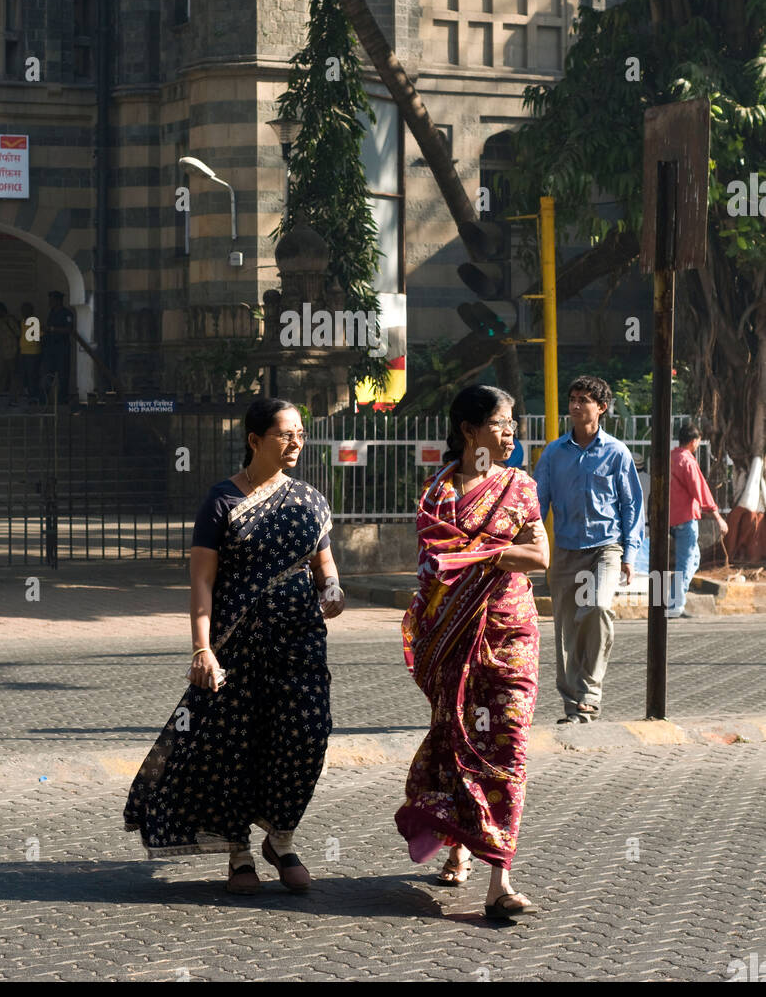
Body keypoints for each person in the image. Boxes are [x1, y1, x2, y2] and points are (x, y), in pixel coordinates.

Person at [124, 397, 345, 894]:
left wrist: (332, 590)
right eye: (286, 434)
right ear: (255, 441)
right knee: (234, 747)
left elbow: (324, 566)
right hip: (236, 645)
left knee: (306, 735)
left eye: (301, 434)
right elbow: (201, 581)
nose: (296, 443)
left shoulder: (310, 500)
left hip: (299, 641)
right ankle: (239, 851)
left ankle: (281, 838)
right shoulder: (222, 500)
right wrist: (203, 649)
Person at [395, 384, 549, 920]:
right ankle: (458, 837)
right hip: (453, 640)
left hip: (511, 634)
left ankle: (499, 879)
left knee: (508, 747)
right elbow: (429, 575)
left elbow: (540, 556)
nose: (511, 433)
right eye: (502, 423)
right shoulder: (436, 496)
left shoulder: (520, 486)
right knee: (458, 739)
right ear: (469, 430)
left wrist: (488, 554)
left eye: (513, 424)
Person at [534, 375, 644, 724]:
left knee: (595, 609)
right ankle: (574, 706)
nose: (576, 405)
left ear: (602, 407)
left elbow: (631, 506)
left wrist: (630, 554)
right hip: (565, 551)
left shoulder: (616, 453)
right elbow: (538, 502)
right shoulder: (553, 453)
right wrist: (530, 546)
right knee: (566, 629)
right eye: (573, 398)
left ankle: (590, 692)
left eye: (584, 399)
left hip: (605, 549)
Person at [668, 421, 728, 619]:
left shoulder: (670, 458)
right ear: (694, 441)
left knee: (690, 560)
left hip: (672, 518)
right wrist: (718, 516)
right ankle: (675, 603)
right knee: (686, 562)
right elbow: (700, 490)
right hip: (685, 518)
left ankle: (673, 599)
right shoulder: (687, 461)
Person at [40, 291, 75, 404]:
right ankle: (44, 400)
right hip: (50, 349)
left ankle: (62, 400)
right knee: (47, 374)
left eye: (52, 300)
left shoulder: (67, 314)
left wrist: (51, 329)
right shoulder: (51, 313)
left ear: (58, 301)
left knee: (63, 375)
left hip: (62, 348)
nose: (50, 303)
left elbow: (68, 329)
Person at [0, 302, 21, 397]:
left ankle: (13, 397)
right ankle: (2, 396)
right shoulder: (2, 321)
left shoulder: (9, 320)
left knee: (12, 375)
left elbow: (18, 333)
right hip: (6, 353)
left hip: (12, 352)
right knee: (4, 375)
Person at [19, 301, 42, 400]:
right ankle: (29, 395)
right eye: (22, 310)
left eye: (25, 310)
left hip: (32, 353)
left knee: (32, 376)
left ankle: (33, 396)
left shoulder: (34, 321)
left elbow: (38, 335)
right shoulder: (23, 321)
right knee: (25, 376)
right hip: (24, 352)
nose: (23, 312)